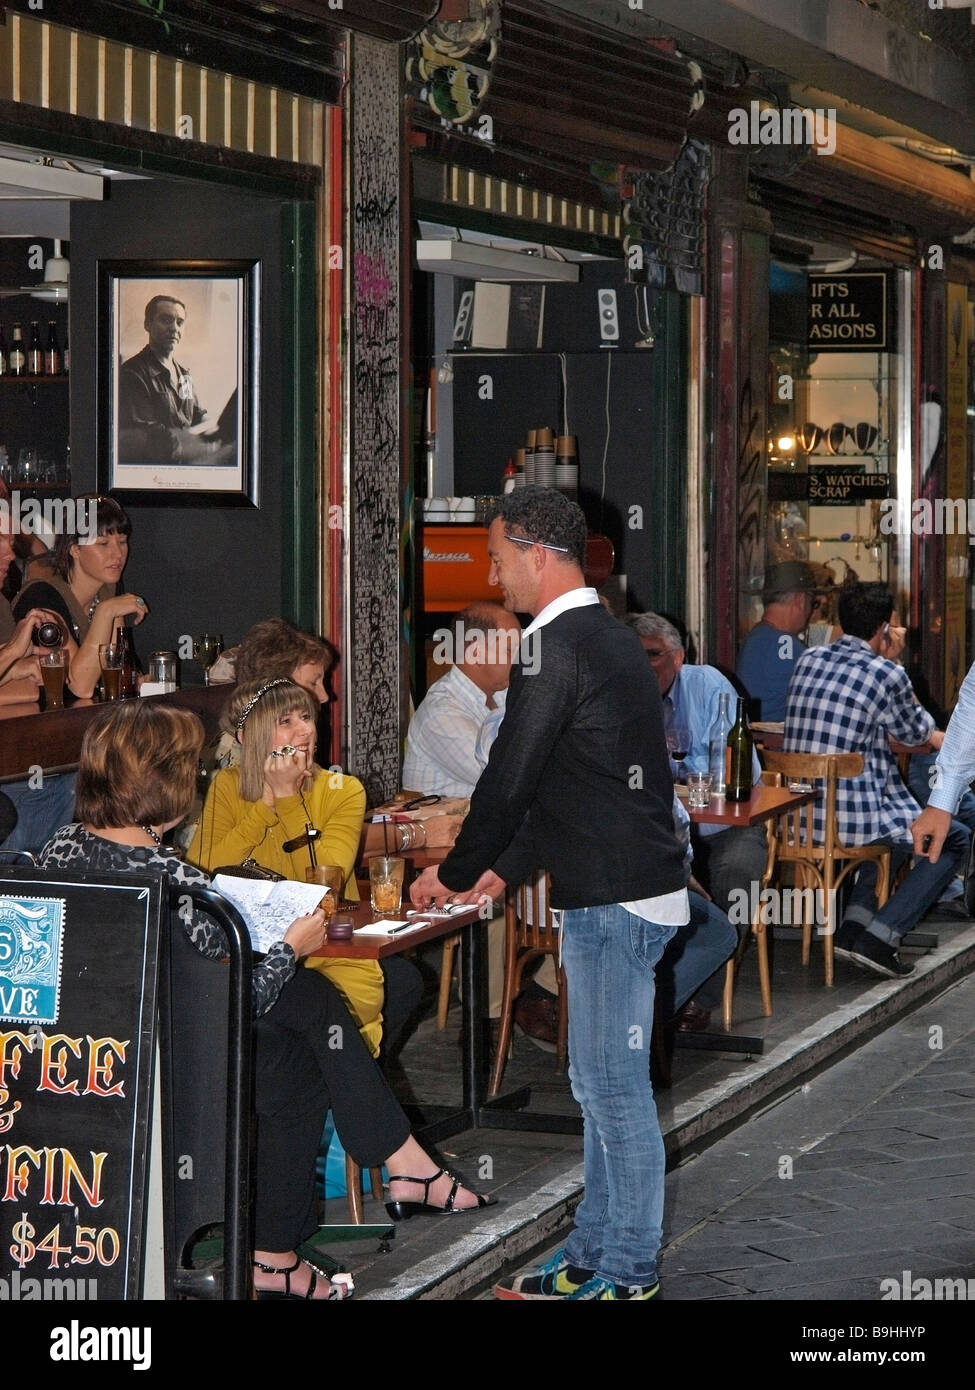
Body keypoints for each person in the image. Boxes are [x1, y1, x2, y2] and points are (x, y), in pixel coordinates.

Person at [38, 702, 493, 1300]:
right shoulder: (177, 885)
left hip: (74, 1065)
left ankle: (312, 1232)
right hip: (168, 1076)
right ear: (170, 787)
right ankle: (320, 1222)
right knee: (300, 1030)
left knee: (301, 1030)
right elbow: (236, 1004)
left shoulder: (58, 853)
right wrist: (289, 946)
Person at [412, 486, 687, 1301]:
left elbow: (509, 779)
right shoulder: (600, 635)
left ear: (535, 551)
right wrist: (507, 862)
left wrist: (458, 870)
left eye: (498, 560)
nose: (496, 579)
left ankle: (626, 1272)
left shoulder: (553, 645)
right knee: (599, 1089)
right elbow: (574, 781)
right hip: (619, 885)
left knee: (610, 1091)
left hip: (614, 896)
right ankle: (590, 1255)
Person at [189, 679, 393, 1057]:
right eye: (286, 720)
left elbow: (322, 884)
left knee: (329, 1015)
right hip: (249, 953)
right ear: (248, 735)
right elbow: (202, 872)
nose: (305, 730)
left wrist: (287, 800)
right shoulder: (226, 787)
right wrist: (261, 811)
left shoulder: (343, 790)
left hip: (333, 953)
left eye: (306, 717)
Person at [785, 582, 968, 978]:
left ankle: (853, 928)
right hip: (850, 821)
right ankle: (882, 937)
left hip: (795, 819)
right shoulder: (886, 673)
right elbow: (919, 732)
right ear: (885, 629)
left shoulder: (808, 659)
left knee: (898, 827)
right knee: (950, 836)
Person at [404, 600, 560, 1045]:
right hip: (437, 857)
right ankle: (487, 1022)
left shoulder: (502, 699)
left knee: (587, 876)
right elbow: (510, 781)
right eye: (514, 643)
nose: (524, 653)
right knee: (501, 889)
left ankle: (540, 993)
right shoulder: (444, 710)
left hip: (489, 844)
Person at [623, 612, 765, 1032]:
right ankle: (640, 1005)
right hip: (660, 833)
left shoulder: (707, 686)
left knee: (737, 877)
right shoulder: (618, 693)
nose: (644, 664)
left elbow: (742, 771)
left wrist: (680, 776)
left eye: (653, 654)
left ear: (678, 657)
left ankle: (696, 997)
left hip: (724, 827)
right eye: (636, 654)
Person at [13, 494, 148, 699]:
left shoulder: (108, 590)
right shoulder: (42, 596)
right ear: (74, 549)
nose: (118, 554)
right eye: (103, 543)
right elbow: (80, 686)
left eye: (122, 541)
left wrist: (136, 682)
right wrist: (107, 611)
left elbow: (115, 674)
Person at [117, 294, 234, 464]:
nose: (174, 328)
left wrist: (214, 427)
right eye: (166, 320)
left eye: (179, 322)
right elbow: (146, 435)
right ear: (147, 324)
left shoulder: (184, 376)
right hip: (156, 466)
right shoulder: (132, 374)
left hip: (184, 459)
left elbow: (196, 414)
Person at [737, 560, 816, 721]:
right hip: (776, 742)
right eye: (812, 603)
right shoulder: (786, 644)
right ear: (800, 600)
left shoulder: (755, 638)